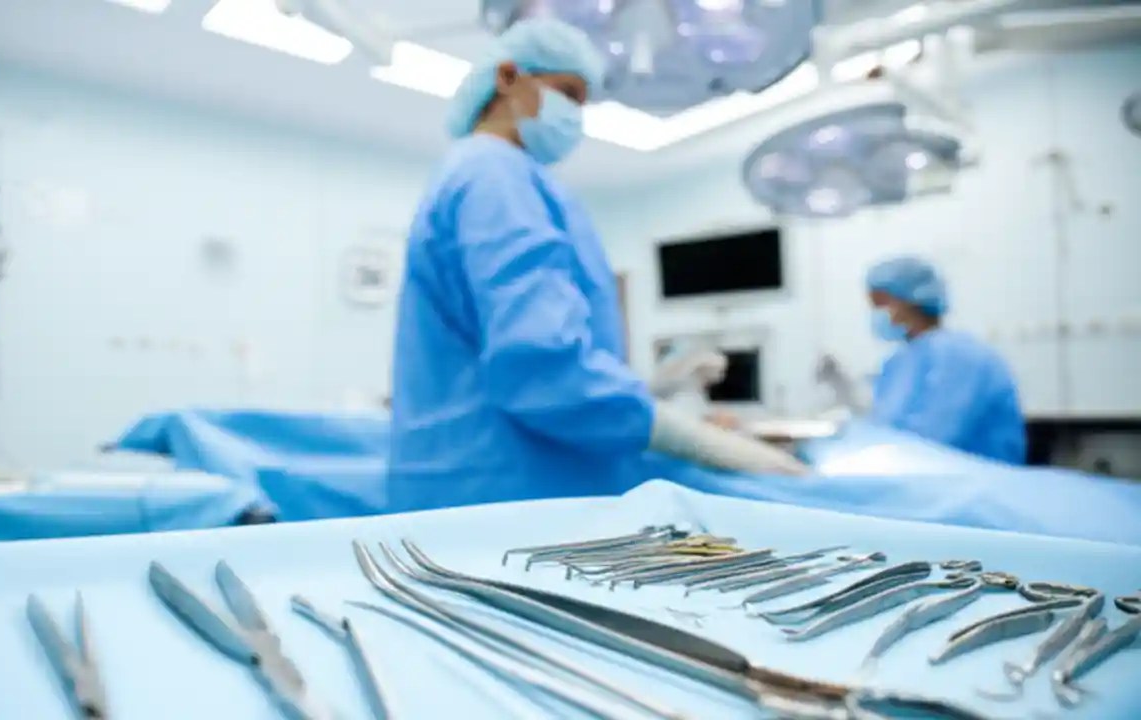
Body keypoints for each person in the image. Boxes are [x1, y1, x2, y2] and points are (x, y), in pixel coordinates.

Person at [387, 19, 806, 510]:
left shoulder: (490, 176)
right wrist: (698, 440)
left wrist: (652, 395)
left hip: (498, 482)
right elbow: (541, 365)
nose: (574, 116)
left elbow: (535, 353)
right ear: (506, 78)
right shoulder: (494, 175)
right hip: (505, 489)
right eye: (566, 92)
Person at [866, 256, 1026, 463]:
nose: (877, 313)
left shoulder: (961, 357)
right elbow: (885, 429)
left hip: (972, 484)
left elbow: (936, 439)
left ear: (913, 300)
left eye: (881, 303)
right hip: (921, 480)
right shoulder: (897, 364)